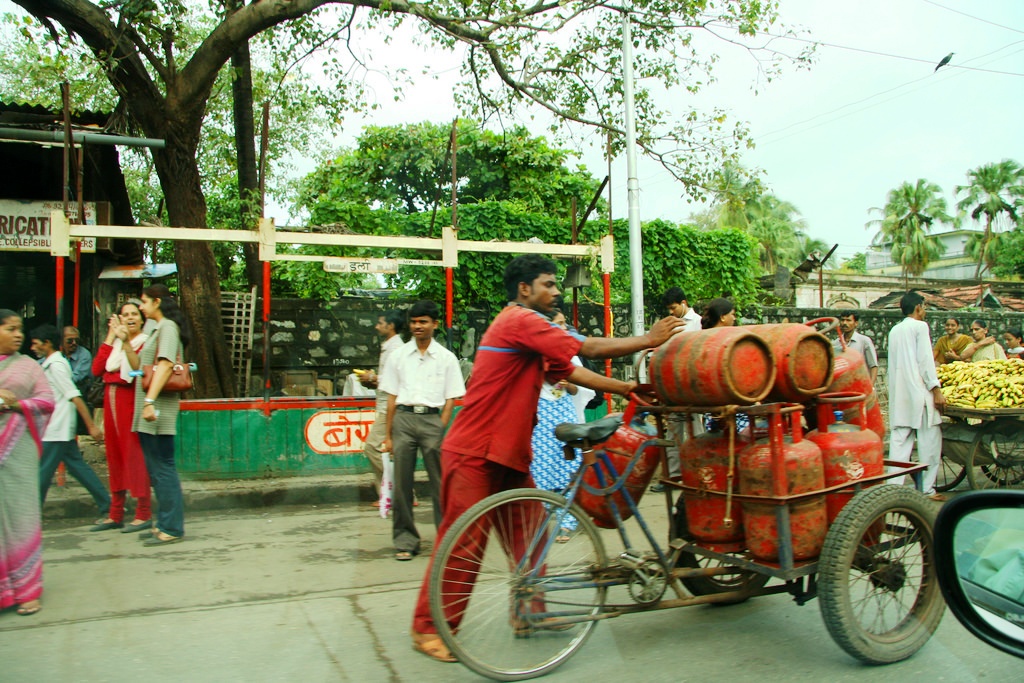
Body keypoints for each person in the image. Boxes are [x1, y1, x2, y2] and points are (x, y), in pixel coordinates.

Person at [409, 254, 682, 663]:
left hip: (507, 451)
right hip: (475, 451)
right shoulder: (519, 320)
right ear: (525, 290)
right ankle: (429, 628)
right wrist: (648, 339)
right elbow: (585, 347)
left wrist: (625, 389)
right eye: (549, 284)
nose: (556, 292)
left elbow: (570, 371)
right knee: (463, 542)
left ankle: (529, 613)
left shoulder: (530, 330)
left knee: (529, 537)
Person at [379, 301, 466, 561]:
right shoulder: (398, 356)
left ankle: (446, 539)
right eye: (414, 322)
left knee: (440, 484)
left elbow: (451, 398)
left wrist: (441, 425)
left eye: (423, 321)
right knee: (402, 485)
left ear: (434, 324)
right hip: (403, 421)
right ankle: (405, 541)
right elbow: (391, 397)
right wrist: (388, 435)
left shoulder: (447, 358)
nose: (418, 326)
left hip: (431, 422)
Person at [0, 309, 55, 617]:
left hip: (18, 451)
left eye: (20, 328)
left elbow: (47, 401)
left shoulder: (29, 367)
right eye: (10, 329)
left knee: (22, 515)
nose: (18, 334)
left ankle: (27, 589)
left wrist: (15, 403)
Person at [32, 324, 110, 521]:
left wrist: (91, 426)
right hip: (58, 429)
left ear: (47, 343)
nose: (33, 348)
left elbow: (75, 396)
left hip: (56, 429)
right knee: (80, 469)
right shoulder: (50, 363)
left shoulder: (57, 365)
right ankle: (107, 505)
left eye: (35, 344)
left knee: (42, 473)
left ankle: (30, 517)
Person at [132, 284, 190, 546]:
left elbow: (165, 365)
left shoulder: (167, 327)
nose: (141, 308)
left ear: (156, 302)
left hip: (158, 413)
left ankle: (172, 527)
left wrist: (149, 401)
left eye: (144, 302)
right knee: (156, 470)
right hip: (150, 413)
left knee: (163, 469)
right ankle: (164, 522)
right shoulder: (155, 327)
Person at [529, 310, 593, 542]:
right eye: (559, 324)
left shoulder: (569, 353)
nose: (564, 329)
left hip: (564, 412)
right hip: (542, 416)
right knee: (542, 468)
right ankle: (543, 521)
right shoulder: (533, 354)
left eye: (565, 324)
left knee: (568, 466)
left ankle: (567, 522)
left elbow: (580, 388)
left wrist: (569, 383)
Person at [89, 301, 152, 533]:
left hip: (130, 401)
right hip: (110, 402)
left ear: (142, 319)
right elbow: (97, 369)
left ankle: (143, 513)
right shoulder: (115, 343)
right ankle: (116, 513)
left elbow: (136, 372)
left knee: (134, 457)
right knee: (114, 456)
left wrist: (125, 342)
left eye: (134, 313)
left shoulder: (144, 342)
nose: (129, 318)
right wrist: (110, 336)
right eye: (125, 314)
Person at [887, 292, 946, 501]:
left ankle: (892, 489)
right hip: (918, 392)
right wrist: (936, 389)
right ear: (918, 307)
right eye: (925, 306)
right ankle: (927, 490)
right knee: (930, 439)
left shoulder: (895, 330)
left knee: (900, 441)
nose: (925, 310)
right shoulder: (920, 327)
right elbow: (925, 361)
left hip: (899, 393)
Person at [652, 287, 703, 492]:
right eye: (669, 309)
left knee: (696, 433)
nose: (671, 312)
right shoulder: (670, 324)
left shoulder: (699, 323)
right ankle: (672, 477)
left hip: (692, 387)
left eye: (673, 308)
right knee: (672, 433)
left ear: (683, 303)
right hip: (673, 386)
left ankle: (699, 474)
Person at [359, 310, 406, 505]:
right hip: (385, 403)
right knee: (386, 451)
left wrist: (373, 378)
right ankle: (388, 495)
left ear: (391, 326)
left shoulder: (396, 349)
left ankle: (398, 490)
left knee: (371, 447)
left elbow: (396, 379)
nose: (377, 326)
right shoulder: (389, 346)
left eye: (380, 323)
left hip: (390, 405)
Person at [833, 311, 879, 384]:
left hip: (861, 385)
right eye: (842, 320)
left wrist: (871, 387)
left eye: (848, 320)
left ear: (856, 323)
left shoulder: (864, 341)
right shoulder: (835, 343)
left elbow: (873, 366)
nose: (844, 323)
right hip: (843, 386)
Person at [61, 325, 93, 393]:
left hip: (79, 391)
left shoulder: (84, 354)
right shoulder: (58, 353)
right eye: (70, 341)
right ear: (61, 341)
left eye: (77, 340)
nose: (74, 343)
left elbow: (76, 378)